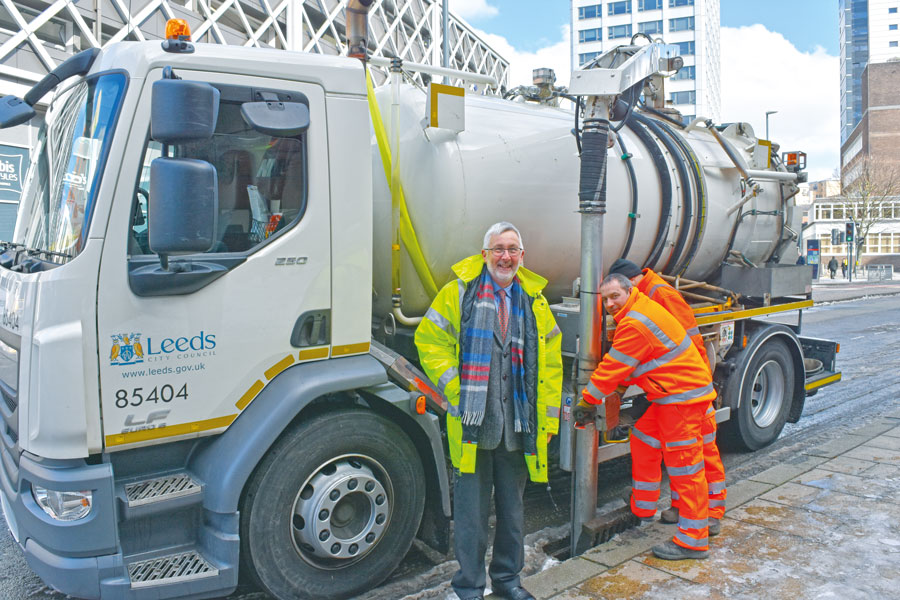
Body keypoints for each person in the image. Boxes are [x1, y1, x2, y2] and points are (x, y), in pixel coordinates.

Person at [415, 222, 562, 600]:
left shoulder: (534, 300)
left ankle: (508, 581)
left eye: (513, 249)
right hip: (472, 426)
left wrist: (546, 420)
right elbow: (430, 339)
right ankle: (468, 587)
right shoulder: (459, 292)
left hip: (517, 424)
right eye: (498, 248)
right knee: (471, 517)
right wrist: (456, 390)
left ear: (522, 257)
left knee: (513, 514)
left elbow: (550, 364)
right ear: (485, 254)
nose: (506, 256)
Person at [581, 273, 715, 560]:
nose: (610, 304)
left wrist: (587, 400)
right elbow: (630, 366)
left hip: (680, 399)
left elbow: (613, 366)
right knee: (644, 436)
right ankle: (643, 505)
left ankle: (693, 540)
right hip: (675, 396)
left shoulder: (635, 324)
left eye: (615, 296)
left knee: (685, 468)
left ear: (630, 291)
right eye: (605, 300)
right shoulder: (638, 312)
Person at [608, 259, 725, 533]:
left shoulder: (659, 295)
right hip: (681, 389)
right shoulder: (648, 294)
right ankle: (682, 508)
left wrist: (699, 386)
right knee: (676, 452)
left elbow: (689, 339)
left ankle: (711, 514)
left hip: (690, 389)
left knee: (696, 453)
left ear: (632, 282)